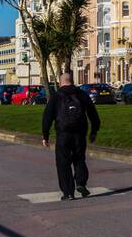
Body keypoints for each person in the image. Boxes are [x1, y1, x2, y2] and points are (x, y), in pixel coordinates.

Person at [41, 73, 100, 201]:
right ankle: (80, 182)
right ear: (72, 81)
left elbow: (47, 117)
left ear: (60, 82)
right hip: (80, 132)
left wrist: (45, 135)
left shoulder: (56, 96)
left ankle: (68, 192)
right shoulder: (82, 94)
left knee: (63, 162)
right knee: (79, 158)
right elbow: (93, 114)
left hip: (63, 133)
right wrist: (94, 131)